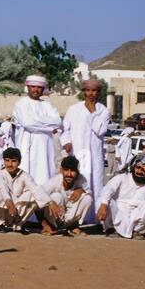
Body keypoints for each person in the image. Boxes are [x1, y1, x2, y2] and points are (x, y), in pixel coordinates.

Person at [61, 78, 109, 223]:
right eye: (87, 90)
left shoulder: (103, 110)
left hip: (94, 155)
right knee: (77, 183)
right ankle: (73, 218)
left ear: (99, 92)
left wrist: (92, 111)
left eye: (94, 90)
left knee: (95, 184)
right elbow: (65, 129)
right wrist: (67, 142)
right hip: (78, 153)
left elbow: (99, 130)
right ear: (83, 92)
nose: (90, 93)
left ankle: (93, 219)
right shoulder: (73, 109)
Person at [0, 147, 52, 233]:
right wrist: (8, 201)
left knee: (33, 195)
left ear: (19, 162)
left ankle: (18, 225)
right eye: (7, 160)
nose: (10, 164)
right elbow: (2, 187)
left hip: (14, 212)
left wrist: (50, 202)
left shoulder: (25, 175)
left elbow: (35, 189)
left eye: (13, 161)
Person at [12, 74, 62, 185]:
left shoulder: (47, 105)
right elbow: (28, 123)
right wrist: (48, 127)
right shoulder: (21, 104)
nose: (36, 89)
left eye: (39, 87)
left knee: (44, 175)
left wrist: (36, 122)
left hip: (45, 147)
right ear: (28, 87)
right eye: (33, 86)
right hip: (27, 146)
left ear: (43, 89)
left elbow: (57, 122)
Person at [96, 157, 145, 239]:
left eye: (144, 170)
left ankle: (134, 231)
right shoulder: (122, 177)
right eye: (138, 168)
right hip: (117, 214)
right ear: (133, 167)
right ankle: (111, 229)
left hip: (133, 218)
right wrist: (104, 205)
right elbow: (108, 190)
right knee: (102, 200)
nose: (139, 172)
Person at [38, 155, 93, 235]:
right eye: (66, 170)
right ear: (61, 170)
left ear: (78, 172)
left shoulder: (81, 180)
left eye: (73, 171)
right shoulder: (55, 181)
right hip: (54, 219)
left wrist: (82, 190)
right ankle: (51, 226)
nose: (69, 174)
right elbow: (37, 196)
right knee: (56, 197)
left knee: (87, 198)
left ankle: (72, 226)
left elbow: (89, 193)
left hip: (69, 217)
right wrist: (44, 224)